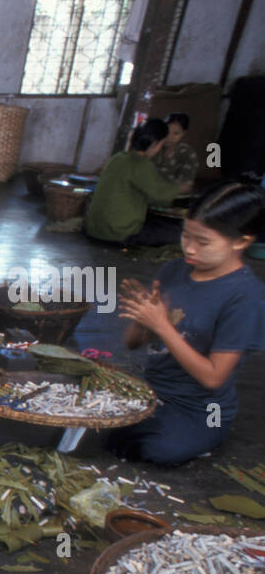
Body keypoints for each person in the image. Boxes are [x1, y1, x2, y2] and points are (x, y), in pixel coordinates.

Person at [108, 182, 265, 465]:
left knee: (159, 451)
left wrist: (163, 327)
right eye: (185, 235)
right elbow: (132, 344)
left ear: (241, 241)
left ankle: (200, 436)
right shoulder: (174, 270)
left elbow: (213, 378)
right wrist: (142, 318)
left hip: (200, 407)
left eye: (202, 242)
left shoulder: (245, 296)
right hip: (153, 390)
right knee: (96, 423)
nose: (189, 248)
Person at [85, 119, 191, 247]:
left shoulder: (117, 158)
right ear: (154, 144)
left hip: (94, 230)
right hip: (118, 234)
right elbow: (159, 197)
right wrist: (179, 188)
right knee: (179, 232)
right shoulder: (142, 164)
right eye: (161, 145)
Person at [155, 112, 198, 189]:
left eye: (176, 133)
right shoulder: (154, 148)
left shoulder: (186, 153)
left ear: (184, 133)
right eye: (166, 131)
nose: (169, 137)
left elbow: (185, 187)